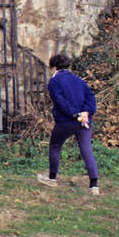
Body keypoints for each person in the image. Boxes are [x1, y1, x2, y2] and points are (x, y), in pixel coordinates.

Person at [37, 53, 100, 195]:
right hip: (84, 121)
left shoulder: (54, 82)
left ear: (53, 68)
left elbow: (59, 101)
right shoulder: (79, 80)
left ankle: (52, 178)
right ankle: (94, 185)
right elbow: (90, 97)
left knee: (55, 146)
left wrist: (75, 114)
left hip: (66, 121)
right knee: (86, 149)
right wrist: (86, 113)